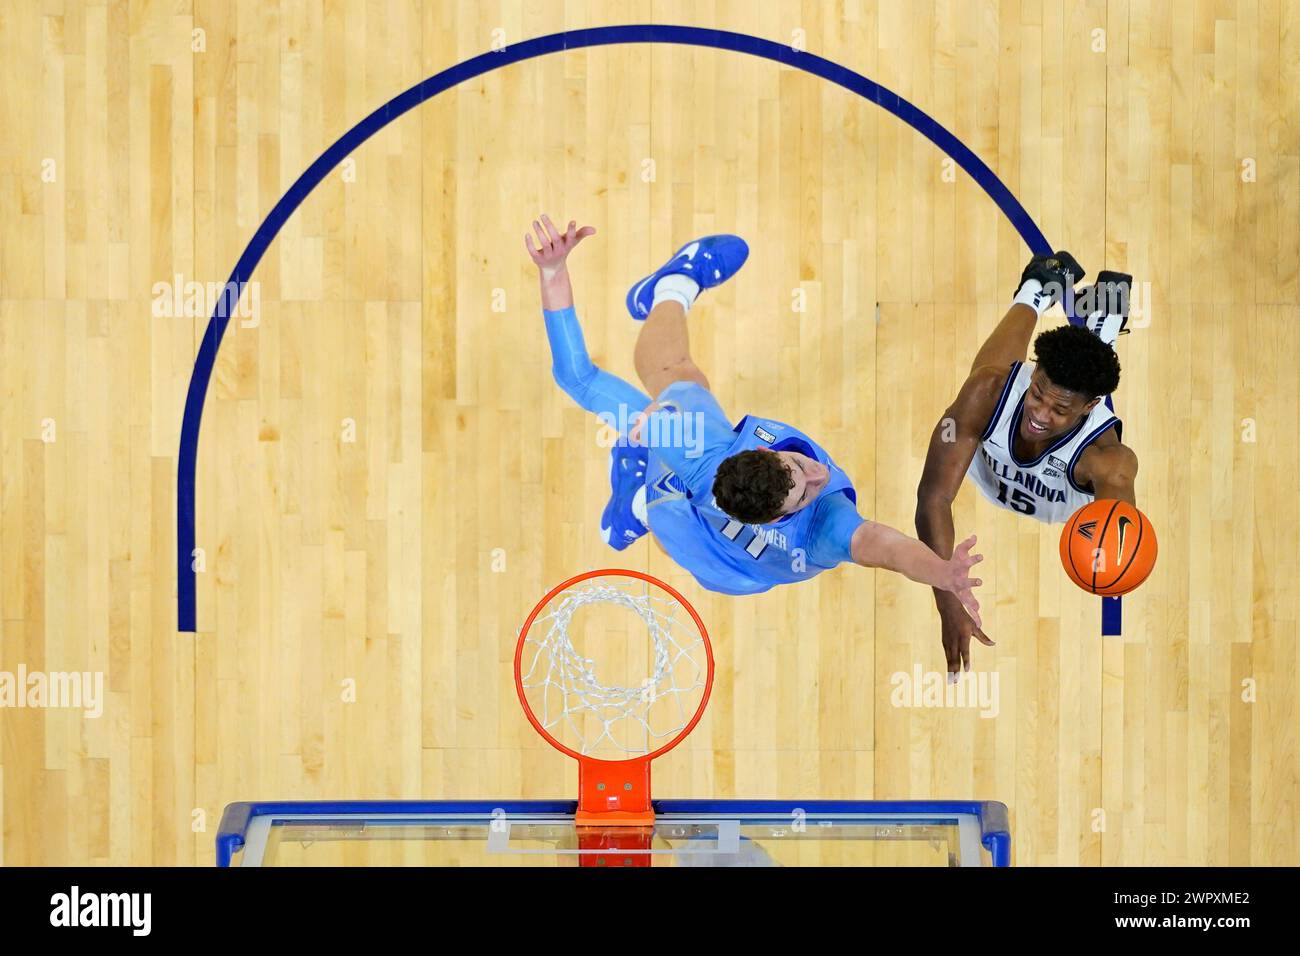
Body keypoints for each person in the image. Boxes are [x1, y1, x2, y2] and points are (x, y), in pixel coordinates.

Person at [526, 213, 983, 622]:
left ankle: (673, 291)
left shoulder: (699, 449)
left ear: (762, 451)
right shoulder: (824, 525)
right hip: (732, 568)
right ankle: (638, 505)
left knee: (677, 383)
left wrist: (552, 272)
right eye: (804, 488)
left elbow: (578, 378)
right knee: (678, 418)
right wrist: (941, 572)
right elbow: (887, 548)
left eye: (800, 472)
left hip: (698, 530)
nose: (818, 476)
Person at [914, 252, 1139, 677]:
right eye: (1037, 394)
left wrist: (1110, 565)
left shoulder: (1110, 464)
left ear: (1092, 408)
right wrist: (947, 598)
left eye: (1059, 410)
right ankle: (1036, 288)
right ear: (1034, 373)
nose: (1039, 414)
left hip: (1059, 502)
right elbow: (933, 497)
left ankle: (1102, 328)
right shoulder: (994, 391)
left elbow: (1121, 541)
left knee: (1065, 378)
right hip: (989, 467)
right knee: (988, 377)